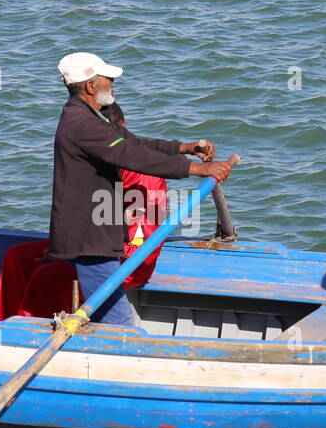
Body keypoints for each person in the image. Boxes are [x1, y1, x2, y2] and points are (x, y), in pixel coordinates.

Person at [47, 52, 231, 326]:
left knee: (108, 313)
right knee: (119, 322)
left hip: (93, 234)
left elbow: (134, 144)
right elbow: (130, 157)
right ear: (90, 85)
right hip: (89, 240)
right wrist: (196, 169)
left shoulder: (92, 118)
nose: (112, 84)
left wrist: (183, 148)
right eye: (108, 79)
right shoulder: (82, 124)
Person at [0, 102, 169, 318]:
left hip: (122, 262)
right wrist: (60, 251)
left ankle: (30, 334)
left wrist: (67, 260)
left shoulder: (146, 180)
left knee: (45, 277)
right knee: (17, 257)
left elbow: (137, 251)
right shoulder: (89, 166)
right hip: (87, 247)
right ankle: (5, 326)